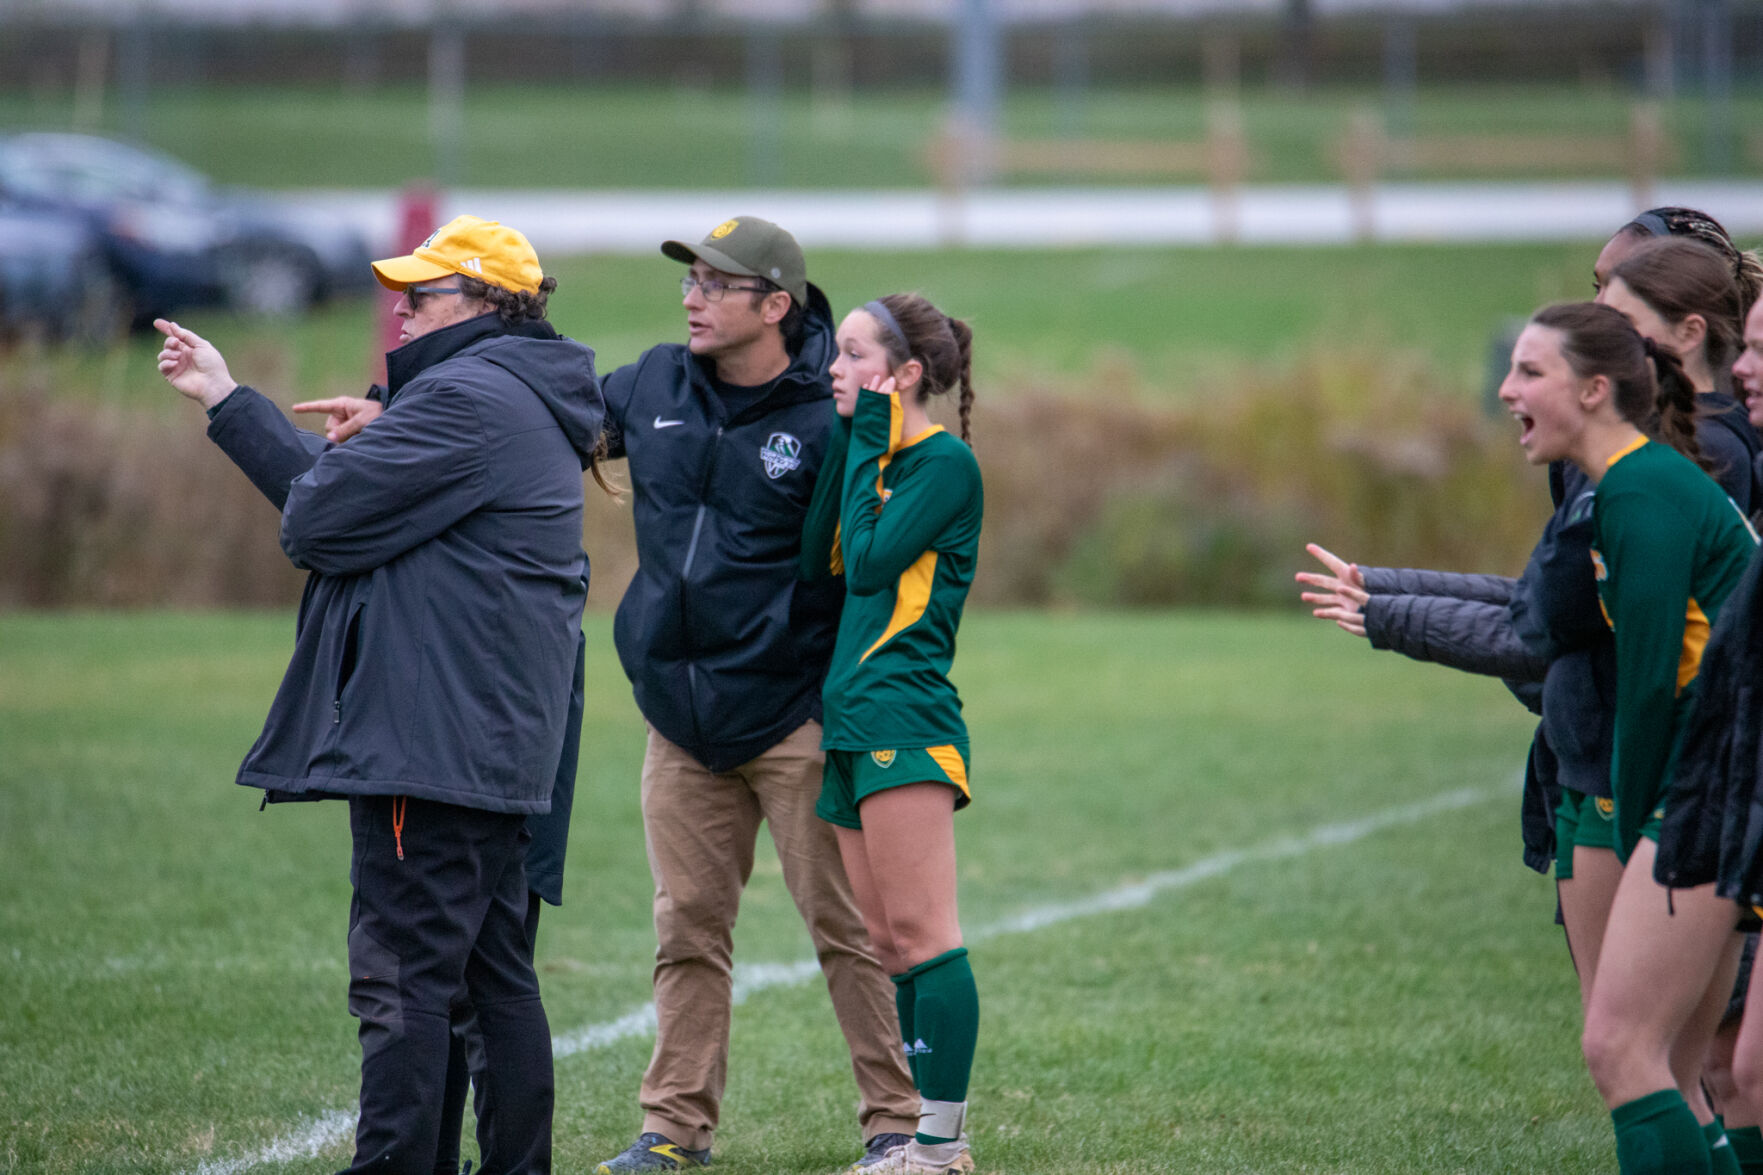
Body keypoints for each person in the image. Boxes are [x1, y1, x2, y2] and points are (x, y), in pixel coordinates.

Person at [154, 213, 604, 1175]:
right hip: (485, 742)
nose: (400, 310)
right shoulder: (507, 392)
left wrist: (374, 438)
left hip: (432, 744)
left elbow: (319, 522)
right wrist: (229, 400)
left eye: (422, 294)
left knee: (402, 981)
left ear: (486, 304)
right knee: (490, 979)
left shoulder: (465, 397)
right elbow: (355, 504)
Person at [591, 217, 920, 1174]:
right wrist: (387, 409)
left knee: (849, 930)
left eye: (714, 284)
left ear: (775, 304)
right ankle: (673, 1129)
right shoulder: (653, 383)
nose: (691, 299)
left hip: (794, 717)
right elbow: (528, 418)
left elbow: (879, 559)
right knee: (686, 928)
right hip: (678, 717)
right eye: (688, 280)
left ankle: (898, 1123)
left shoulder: (831, 415)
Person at [1500, 301, 1756, 1175]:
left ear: (1594, 389)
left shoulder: (1639, 491)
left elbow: (1648, 684)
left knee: (1618, 1046)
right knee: (1675, 1065)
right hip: (1723, 781)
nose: (1506, 390)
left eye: (1530, 371)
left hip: (1714, 787)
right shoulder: (1632, 485)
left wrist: (1640, 824)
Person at [799, 293, 984, 1175]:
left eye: (851, 354)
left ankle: (939, 1147)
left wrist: (869, 436)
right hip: (850, 721)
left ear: (904, 374)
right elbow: (818, 559)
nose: (832, 368)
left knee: (924, 933)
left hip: (904, 718)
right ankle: (923, 1138)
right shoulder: (870, 455)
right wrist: (852, 440)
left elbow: (871, 565)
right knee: (885, 941)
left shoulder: (945, 465)